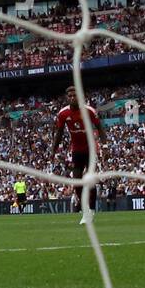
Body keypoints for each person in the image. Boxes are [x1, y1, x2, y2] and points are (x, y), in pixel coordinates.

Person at [51, 84, 106, 225]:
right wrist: (54, 149)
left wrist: (104, 145)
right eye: (69, 96)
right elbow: (59, 133)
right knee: (76, 181)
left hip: (91, 149)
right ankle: (85, 210)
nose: (72, 98)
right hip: (76, 150)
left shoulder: (89, 111)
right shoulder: (63, 113)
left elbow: (100, 127)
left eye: (74, 95)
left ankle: (92, 209)